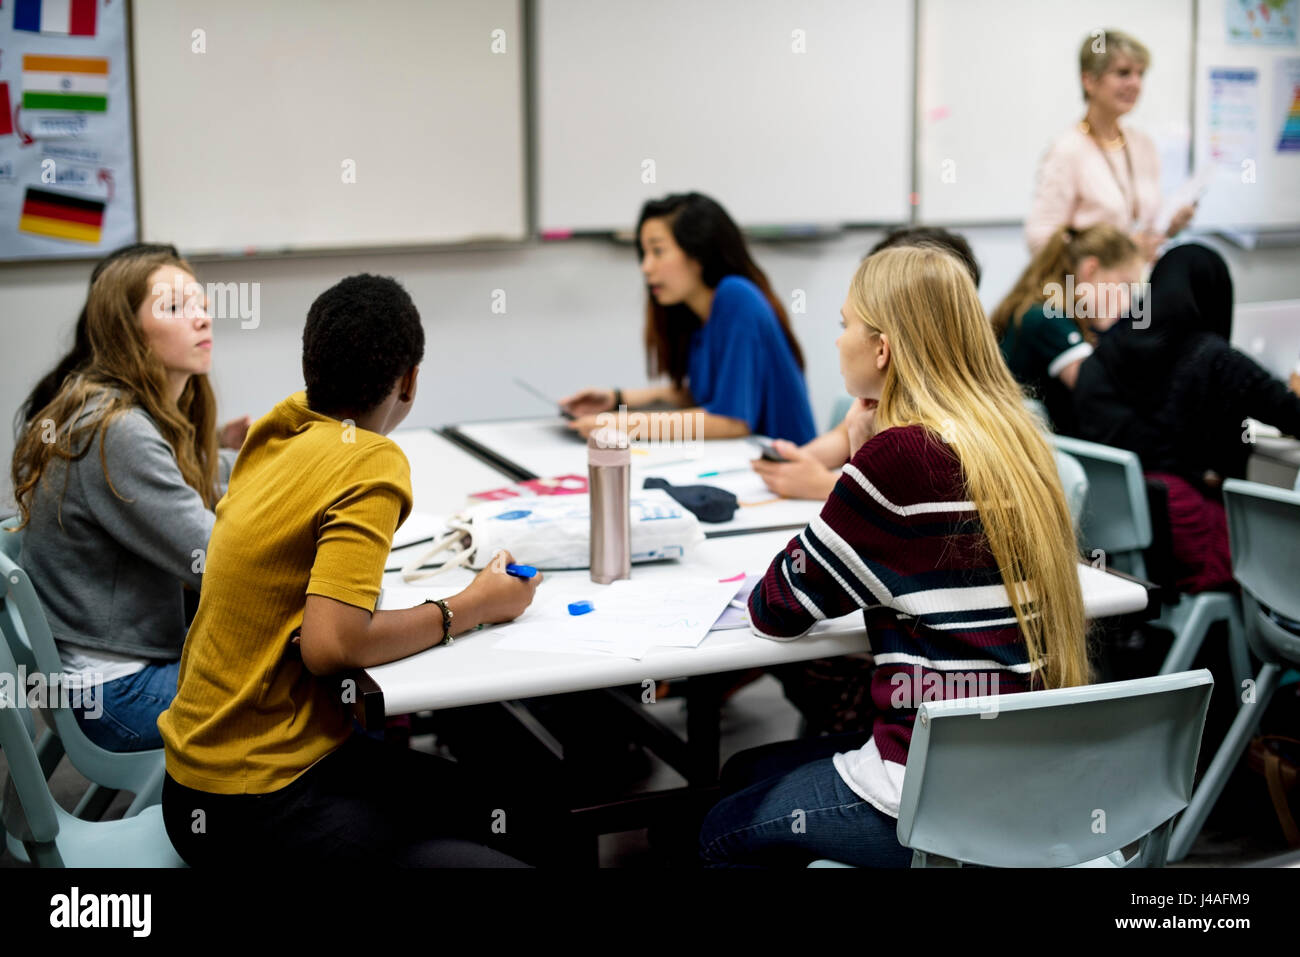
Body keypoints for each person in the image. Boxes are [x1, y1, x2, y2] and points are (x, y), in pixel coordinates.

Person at [698, 245, 1089, 867]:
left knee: (718, 830)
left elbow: (777, 607)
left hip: (937, 793)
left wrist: (858, 462)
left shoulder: (898, 458)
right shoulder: (1017, 436)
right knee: (747, 767)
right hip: (1026, 771)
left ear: (881, 348)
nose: (837, 341)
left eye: (845, 325)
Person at [158, 274, 549, 867]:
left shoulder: (277, 429)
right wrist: (474, 605)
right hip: (258, 798)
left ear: (309, 363)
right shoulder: (370, 461)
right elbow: (331, 645)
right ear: (410, 380)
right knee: (521, 824)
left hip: (195, 782)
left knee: (502, 807)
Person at [9, 250, 240, 751]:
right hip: (114, 692)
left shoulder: (128, 411)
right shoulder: (119, 430)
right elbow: (221, 560)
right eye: (176, 307)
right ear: (127, 332)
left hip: (106, 671)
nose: (202, 316)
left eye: (200, 303)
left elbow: (196, 490)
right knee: (311, 683)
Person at [1073, 244, 1300, 593]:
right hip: (1191, 533)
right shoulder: (1216, 360)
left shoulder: (1100, 360)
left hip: (1122, 541)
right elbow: (1291, 413)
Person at [561, 192, 817, 444]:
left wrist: (622, 424)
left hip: (788, 471)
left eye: (658, 251)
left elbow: (732, 422)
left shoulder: (736, 297)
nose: (646, 267)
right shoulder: (697, 316)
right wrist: (618, 398)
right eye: (644, 253)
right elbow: (703, 395)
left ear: (698, 253)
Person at [754, 226, 982, 505]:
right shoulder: (881, 403)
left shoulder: (926, 441)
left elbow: (903, 499)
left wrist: (829, 484)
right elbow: (845, 441)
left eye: (847, 324)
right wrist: (792, 461)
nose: (839, 340)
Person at [1025, 30, 1194, 262]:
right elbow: (1040, 241)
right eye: (1123, 73)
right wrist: (1118, 252)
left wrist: (1170, 226)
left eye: (1140, 74)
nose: (1135, 83)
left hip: (1141, 286)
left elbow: (1142, 228)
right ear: (1089, 81)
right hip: (1089, 294)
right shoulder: (1067, 150)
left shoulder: (1142, 144)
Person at [991, 224, 1142, 436]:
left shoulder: (1044, 306)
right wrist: (1107, 325)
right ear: (1091, 269)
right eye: (1125, 285)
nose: (1128, 302)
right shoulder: (1047, 317)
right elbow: (1100, 391)